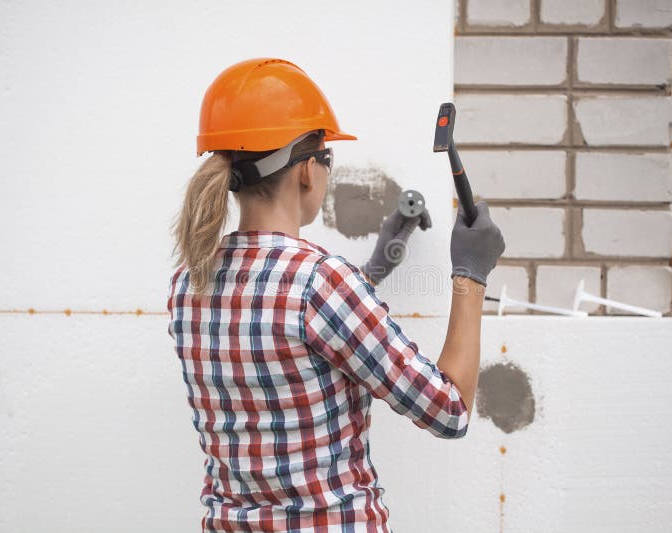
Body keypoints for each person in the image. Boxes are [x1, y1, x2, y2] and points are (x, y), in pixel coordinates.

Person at [167, 58, 506, 533]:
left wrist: (376, 268)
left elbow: (288, 334)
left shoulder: (188, 282)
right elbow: (448, 410)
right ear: (308, 170)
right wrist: (471, 273)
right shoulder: (320, 283)